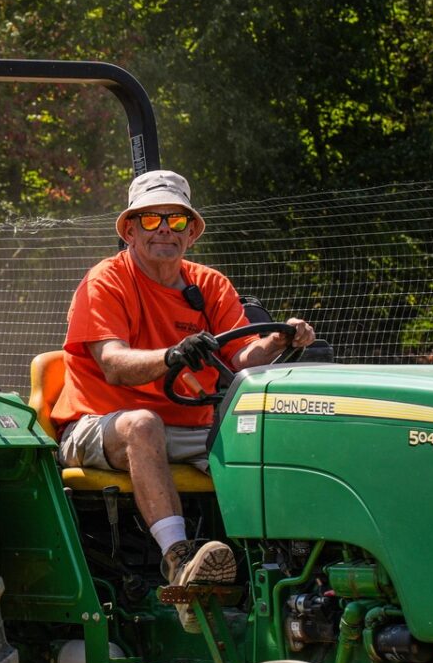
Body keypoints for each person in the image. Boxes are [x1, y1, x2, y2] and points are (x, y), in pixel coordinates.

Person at [52, 169, 315, 595]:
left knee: (268, 432)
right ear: (131, 230)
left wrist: (278, 340)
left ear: (191, 232)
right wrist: (171, 355)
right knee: (143, 424)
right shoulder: (106, 280)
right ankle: (181, 564)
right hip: (98, 423)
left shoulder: (209, 284)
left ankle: (289, 568)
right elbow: (114, 364)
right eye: (152, 220)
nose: (164, 231)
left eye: (175, 221)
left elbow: (242, 357)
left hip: (192, 428)